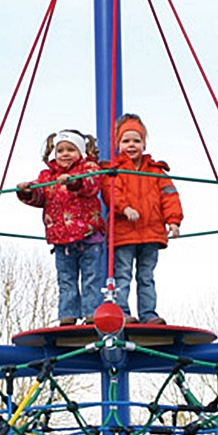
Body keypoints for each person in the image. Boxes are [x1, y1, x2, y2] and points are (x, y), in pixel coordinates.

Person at [17, 129, 105, 325]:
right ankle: (68, 314)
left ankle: (92, 314)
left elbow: (91, 185)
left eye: (71, 150)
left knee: (91, 278)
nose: (65, 154)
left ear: (80, 152)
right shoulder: (48, 176)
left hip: (88, 234)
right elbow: (41, 197)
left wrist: (73, 182)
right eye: (60, 150)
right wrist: (27, 191)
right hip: (61, 238)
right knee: (66, 279)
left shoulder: (88, 169)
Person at [108, 113, 182, 324]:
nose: (131, 145)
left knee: (146, 276)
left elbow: (170, 196)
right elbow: (111, 192)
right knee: (122, 274)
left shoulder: (156, 171)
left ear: (144, 143)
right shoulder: (116, 169)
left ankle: (148, 313)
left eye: (136, 140)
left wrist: (173, 220)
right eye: (126, 141)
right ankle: (122, 311)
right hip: (125, 232)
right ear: (118, 144)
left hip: (151, 231)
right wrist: (125, 208)